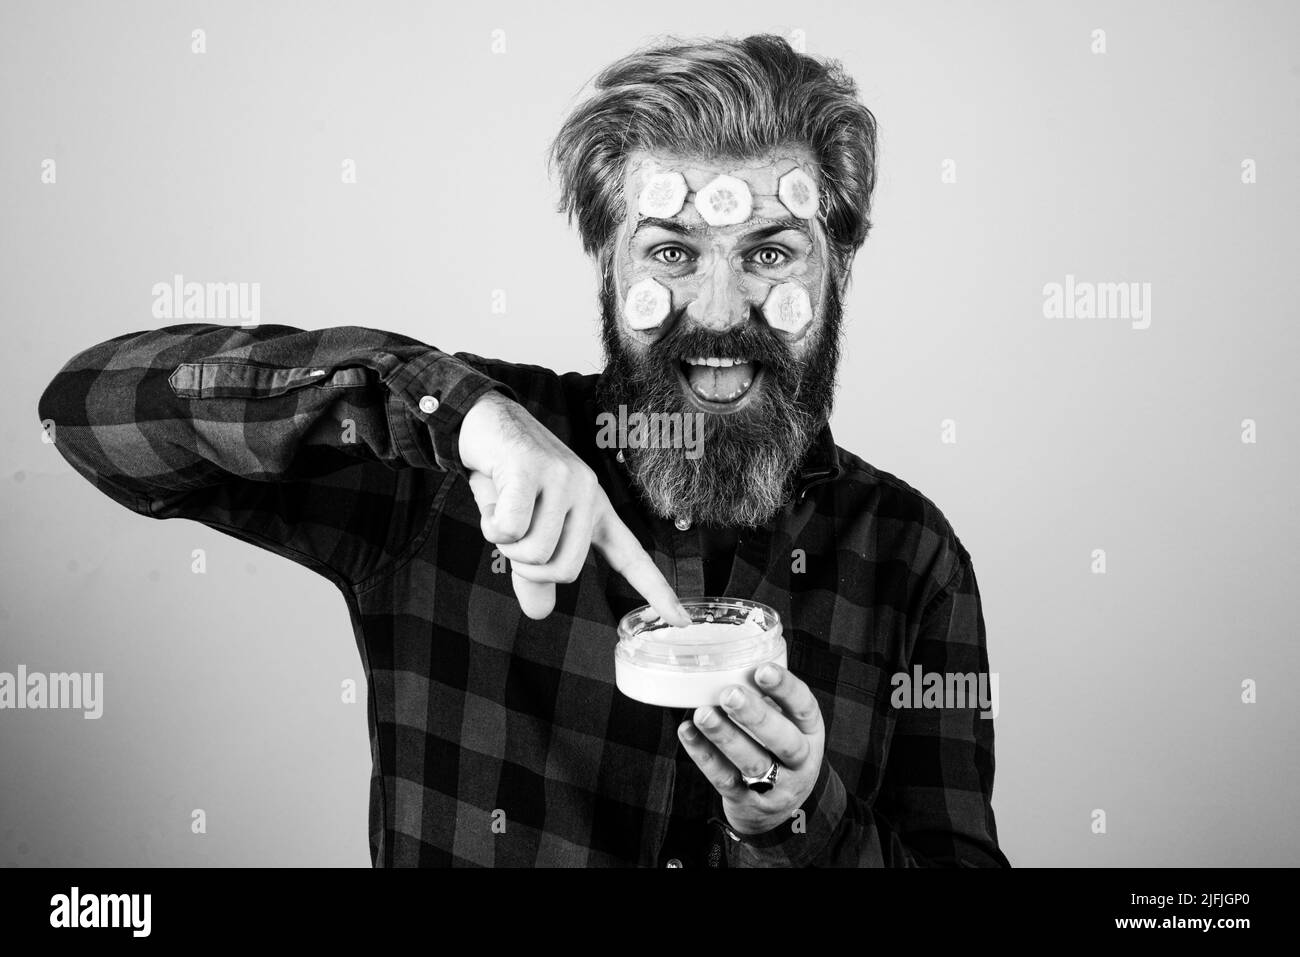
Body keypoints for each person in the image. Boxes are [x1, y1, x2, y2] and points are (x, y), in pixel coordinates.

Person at [38, 34, 1009, 867]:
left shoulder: (910, 554)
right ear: (606, 259)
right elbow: (89, 411)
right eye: (671, 251)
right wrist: (457, 416)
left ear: (838, 264)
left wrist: (800, 818)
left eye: (768, 252)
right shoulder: (450, 469)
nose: (720, 314)